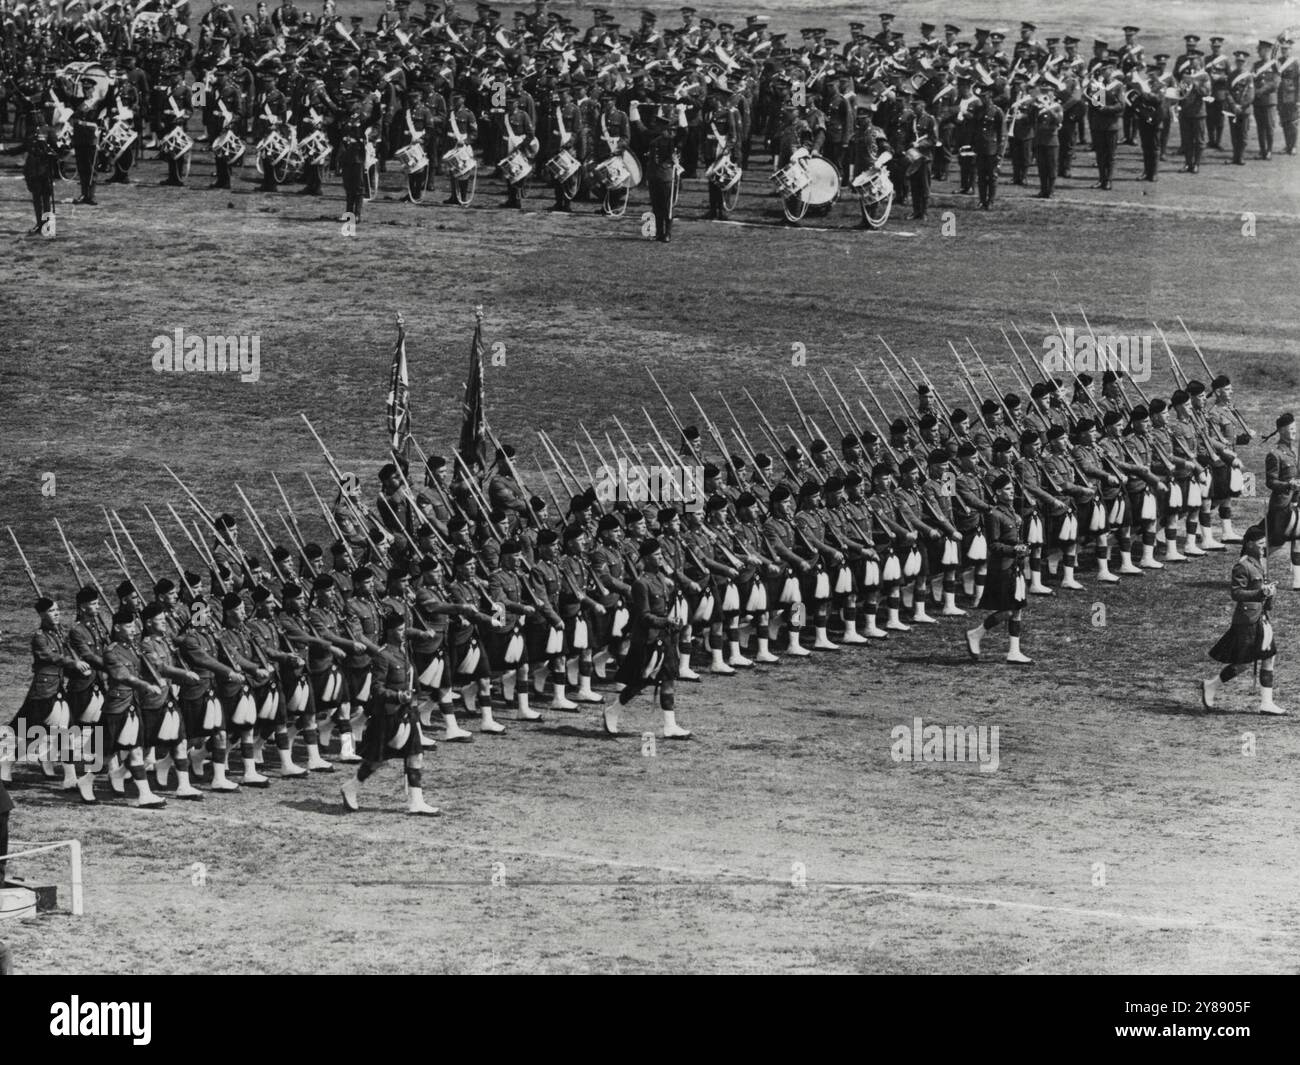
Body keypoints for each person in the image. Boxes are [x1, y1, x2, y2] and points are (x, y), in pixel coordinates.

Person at [341, 610, 439, 814]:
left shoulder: (403, 651)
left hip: (406, 713)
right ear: (390, 631)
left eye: (404, 629)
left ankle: (416, 802)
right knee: (377, 760)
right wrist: (397, 696)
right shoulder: (383, 655)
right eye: (400, 629)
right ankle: (351, 787)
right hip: (387, 715)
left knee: (415, 755)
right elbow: (376, 688)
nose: (404, 633)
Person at [610, 539, 691, 738]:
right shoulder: (641, 583)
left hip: (665, 637)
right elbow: (644, 615)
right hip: (648, 639)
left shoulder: (661, 579)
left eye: (661, 554)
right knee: (641, 682)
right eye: (656, 555)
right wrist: (666, 621)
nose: (661, 557)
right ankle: (613, 710)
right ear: (646, 558)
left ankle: (669, 726)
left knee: (669, 678)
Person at [1202, 525, 1285, 714]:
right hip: (1247, 620)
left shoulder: (1259, 563)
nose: (1264, 547)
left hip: (1261, 617)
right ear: (1249, 544)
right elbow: (1236, 593)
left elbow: (1262, 591)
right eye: (1260, 544)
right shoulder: (1243, 565)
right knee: (1243, 662)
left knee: (1269, 656)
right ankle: (1212, 685)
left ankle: (1266, 703)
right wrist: (1260, 592)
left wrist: (1269, 592)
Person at [965, 472, 1033, 664]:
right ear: (997, 492)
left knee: (1017, 608)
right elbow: (993, 545)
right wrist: (1014, 549)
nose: (1011, 492)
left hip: (1015, 566)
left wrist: (1022, 548)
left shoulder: (1013, 513)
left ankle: (1014, 651)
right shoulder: (993, 514)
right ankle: (976, 633)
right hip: (1002, 567)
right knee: (1009, 610)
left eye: (1012, 489)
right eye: (1007, 489)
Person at [1263, 413, 1300, 589]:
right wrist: (1288, 484)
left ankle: (1297, 580)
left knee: (1298, 539)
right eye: (1290, 429)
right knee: (1277, 542)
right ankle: (1255, 564)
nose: (1294, 431)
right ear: (1281, 430)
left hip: (1296, 503)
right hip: (1281, 505)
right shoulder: (1275, 454)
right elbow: (1270, 482)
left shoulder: (1294, 451)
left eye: (1295, 428)